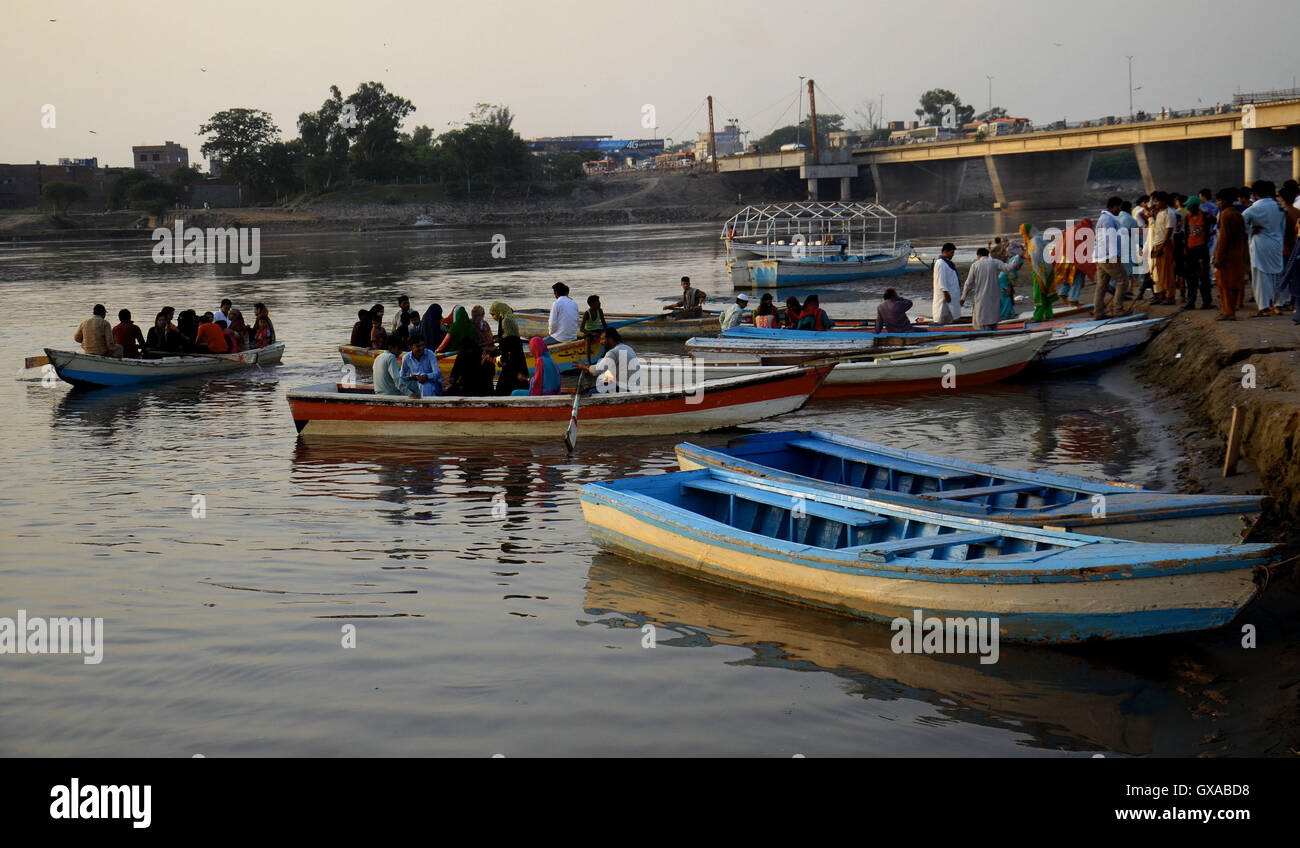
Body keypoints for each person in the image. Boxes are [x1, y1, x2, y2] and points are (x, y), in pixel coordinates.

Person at [1242, 180, 1285, 316]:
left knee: (1260, 277)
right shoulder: (1279, 207)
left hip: (1260, 244)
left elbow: (1241, 221)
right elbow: (1282, 227)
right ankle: (1278, 304)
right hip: (1277, 243)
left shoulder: (1253, 208)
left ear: (1255, 194)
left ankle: (1264, 307)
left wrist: (1250, 230)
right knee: (1277, 274)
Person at [1213, 187, 1249, 320]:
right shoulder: (1237, 214)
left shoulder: (1226, 215)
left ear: (1224, 201)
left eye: (1219, 201)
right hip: (1238, 254)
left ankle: (1228, 312)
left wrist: (1218, 256)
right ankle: (1230, 310)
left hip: (1227, 256)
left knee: (1225, 284)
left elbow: (1224, 239)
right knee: (1233, 284)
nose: (1218, 203)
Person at [1092, 197, 1132, 318]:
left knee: (1102, 286)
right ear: (1114, 206)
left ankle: (1098, 312)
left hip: (1100, 257)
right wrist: (1115, 256)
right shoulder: (1108, 220)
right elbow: (1110, 239)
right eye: (1118, 207)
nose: (1119, 210)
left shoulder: (1104, 219)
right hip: (1108, 256)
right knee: (1123, 281)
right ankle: (1118, 310)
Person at [961, 247, 1013, 330]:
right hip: (993, 297)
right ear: (987, 254)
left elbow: (968, 283)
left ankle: (983, 336)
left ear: (978, 255)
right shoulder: (994, 262)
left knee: (981, 320)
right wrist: (1017, 257)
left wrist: (963, 297)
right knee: (993, 319)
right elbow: (1009, 268)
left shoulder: (975, 265)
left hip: (980, 298)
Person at [575, 327, 641, 393]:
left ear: (610, 339)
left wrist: (584, 367)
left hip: (624, 388)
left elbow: (597, 370)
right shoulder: (628, 348)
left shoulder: (613, 352)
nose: (601, 342)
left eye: (602, 339)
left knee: (587, 392)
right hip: (633, 387)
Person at [1182, 195, 1214, 310]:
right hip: (1190, 251)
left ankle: (1206, 302)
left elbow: (1216, 223)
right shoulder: (1187, 218)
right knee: (1190, 278)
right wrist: (1185, 249)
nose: (1188, 208)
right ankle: (1191, 302)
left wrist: (1210, 235)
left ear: (1195, 206)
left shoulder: (1206, 216)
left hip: (1202, 250)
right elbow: (1186, 234)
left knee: (1203, 277)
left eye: (1189, 206)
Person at [1147, 192, 1176, 305]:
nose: (1156, 203)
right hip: (1157, 243)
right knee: (1159, 272)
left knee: (1167, 271)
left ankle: (1170, 296)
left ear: (1164, 201)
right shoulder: (1159, 213)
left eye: (1157, 201)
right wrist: (1155, 247)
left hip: (1166, 244)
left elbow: (1169, 232)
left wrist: (1161, 248)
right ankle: (1161, 295)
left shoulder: (1170, 213)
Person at [931, 242, 961, 323]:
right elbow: (941, 279)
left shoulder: (947, 263)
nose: (953, 255)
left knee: (950, 315)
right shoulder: (940, 263)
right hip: (944, 295)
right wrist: (945, 292)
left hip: (950, 294)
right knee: (941, 315)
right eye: (951, 253)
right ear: (945, 252)